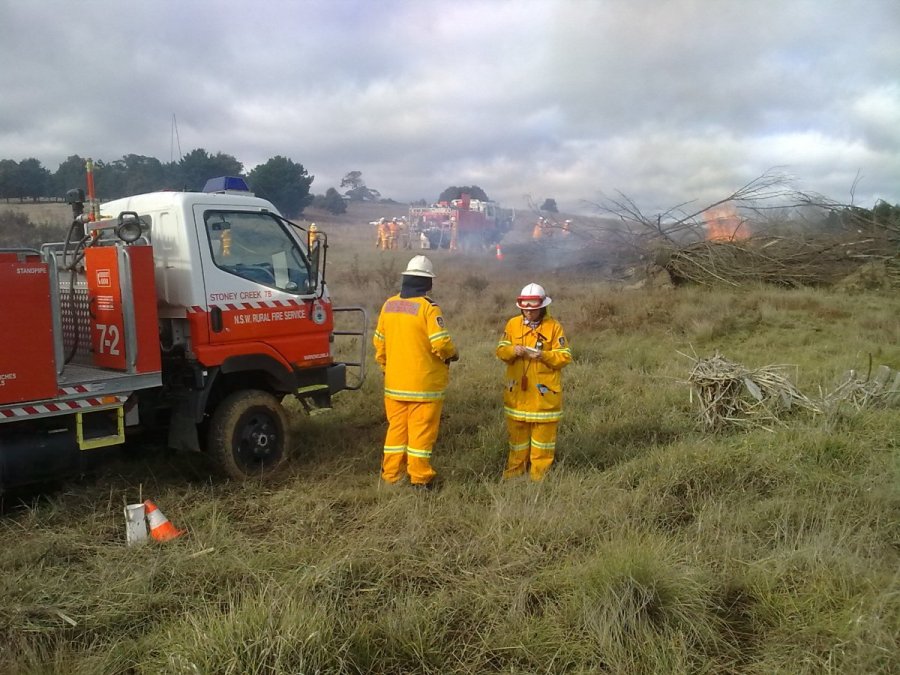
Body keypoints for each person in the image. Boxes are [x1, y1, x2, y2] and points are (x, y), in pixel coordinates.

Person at [373, 255, 459, 489]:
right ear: (428, 283)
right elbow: (441, 343)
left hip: (394, 384)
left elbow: (379, 343)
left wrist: (386, 368)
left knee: (396, 432)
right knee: (421, 434)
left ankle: (391, 476)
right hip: (424, 386)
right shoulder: (429, 309)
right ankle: (420, 479)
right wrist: (452, 354)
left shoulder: (388, 305)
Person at [495, 283, 572, 481]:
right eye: (525, 310)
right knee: (517, 442)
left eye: (533, 310)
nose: (529, 314)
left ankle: (539, 478)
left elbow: (564, 357)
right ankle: (514, 474)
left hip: (543, 397)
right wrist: (513, 351)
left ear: (542, 307)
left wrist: (544, 356)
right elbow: (501, 350)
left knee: (543, 443)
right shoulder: (512, 324)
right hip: (517, 397)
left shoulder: (554, 327)